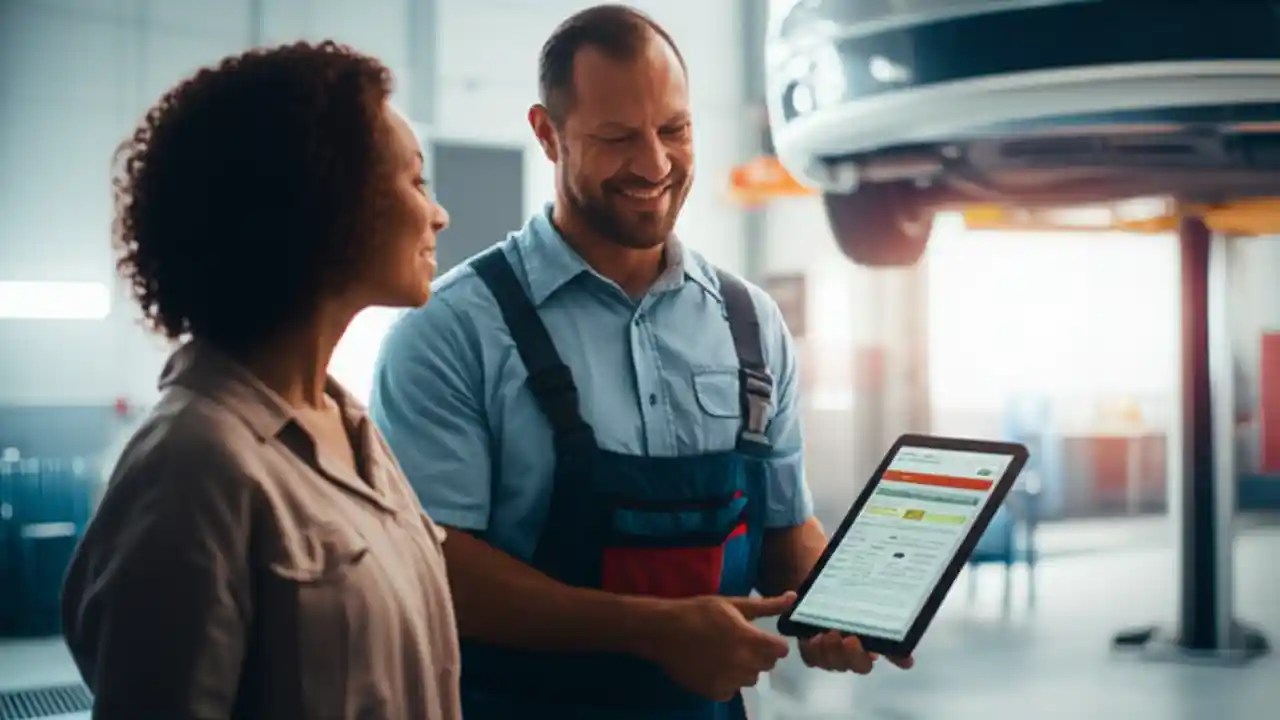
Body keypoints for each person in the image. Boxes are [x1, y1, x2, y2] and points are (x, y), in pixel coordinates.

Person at [370, 5, 911, 719]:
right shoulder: (450, 330)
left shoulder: (751, 325)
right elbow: (432, 569)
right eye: (618, 137)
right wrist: (653, 631)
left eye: (675, 130)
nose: (655, 164)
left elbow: (784, 529)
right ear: (547, 134)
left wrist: (841, 603)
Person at [61, 41, 459, 720]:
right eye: (415, 181)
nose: (438, 214)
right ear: (326, 196)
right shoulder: (193, 467)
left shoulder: (356, 434)